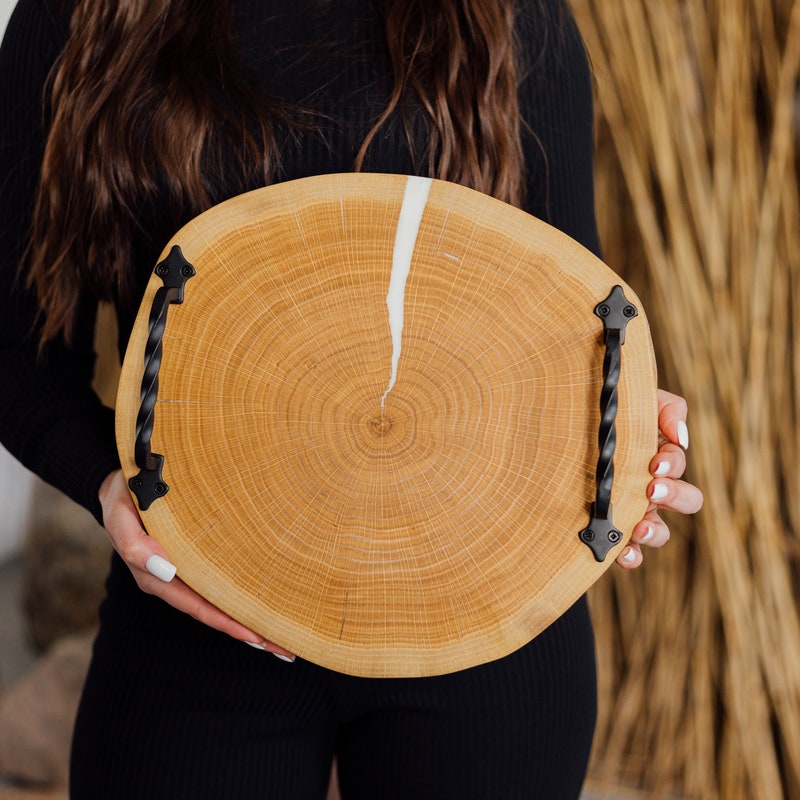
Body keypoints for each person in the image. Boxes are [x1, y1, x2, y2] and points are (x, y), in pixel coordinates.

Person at [0, 0, 703, 797]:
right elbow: (16, 353)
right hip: (197, 612)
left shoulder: (511, 17)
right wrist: (110, 490)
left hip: (487, 631)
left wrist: (632, 428)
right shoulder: (81, 16)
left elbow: (578, 320)